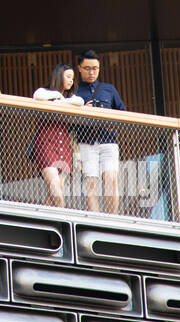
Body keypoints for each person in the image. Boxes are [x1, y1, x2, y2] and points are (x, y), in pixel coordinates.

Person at [73, 49, 126, 213]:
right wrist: (82, 111)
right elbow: (67, 122)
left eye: (95, 68)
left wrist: (111, 120)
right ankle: (94, 222)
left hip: (108, 140)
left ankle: (112, 219)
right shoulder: (74, 92)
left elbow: (123, 113)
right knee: (90, 183)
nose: (91, 72)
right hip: (85, 142)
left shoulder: (108, 89)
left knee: (111, 180)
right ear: (79, 68)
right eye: (87, 68)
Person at [31, 65, 85, 206]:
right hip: (46, 142)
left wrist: (61, 101)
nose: (71, 81)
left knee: (54, 190)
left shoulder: (70, 98)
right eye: (68, 76)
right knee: (55, 187)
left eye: (72, 78)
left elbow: (80, 101)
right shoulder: (45, 91)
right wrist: (57, 96)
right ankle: (63, 219)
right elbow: (37, 95)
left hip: (64, 144)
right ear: (58, 76)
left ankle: (44, 224)